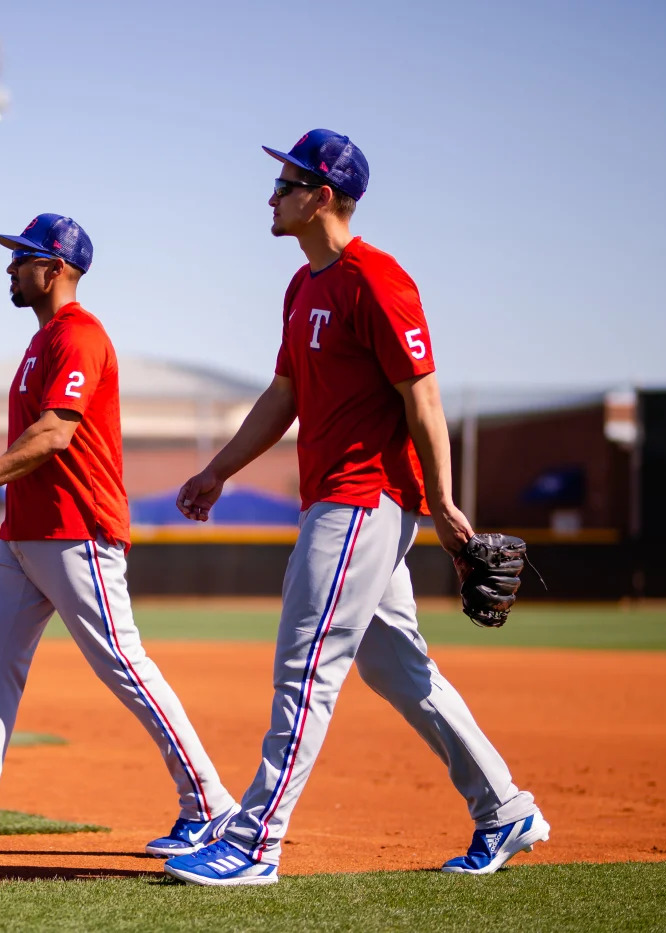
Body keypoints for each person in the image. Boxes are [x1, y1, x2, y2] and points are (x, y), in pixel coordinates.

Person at [162, 131, 548, 886]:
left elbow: (423, 395)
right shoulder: (304, 286)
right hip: (337, 500)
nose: (272, 195)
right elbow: (285, 395)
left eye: (286, 183)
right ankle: (505, 807)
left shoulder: (378, 279)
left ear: (324, 196)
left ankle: (254, 842)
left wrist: (439, 500)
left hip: (362, 497)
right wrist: (218, 470)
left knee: (306, 665)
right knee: (401, 670)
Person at [0, 213, 238, 859]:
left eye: (23, 257)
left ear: (55, 269)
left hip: (79, 531)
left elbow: (55, 435)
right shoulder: (40, 342)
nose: (12, 268)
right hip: (24, 535)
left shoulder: (80, 337)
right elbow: (34, 441)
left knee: (127, 668)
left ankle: (210, 803)